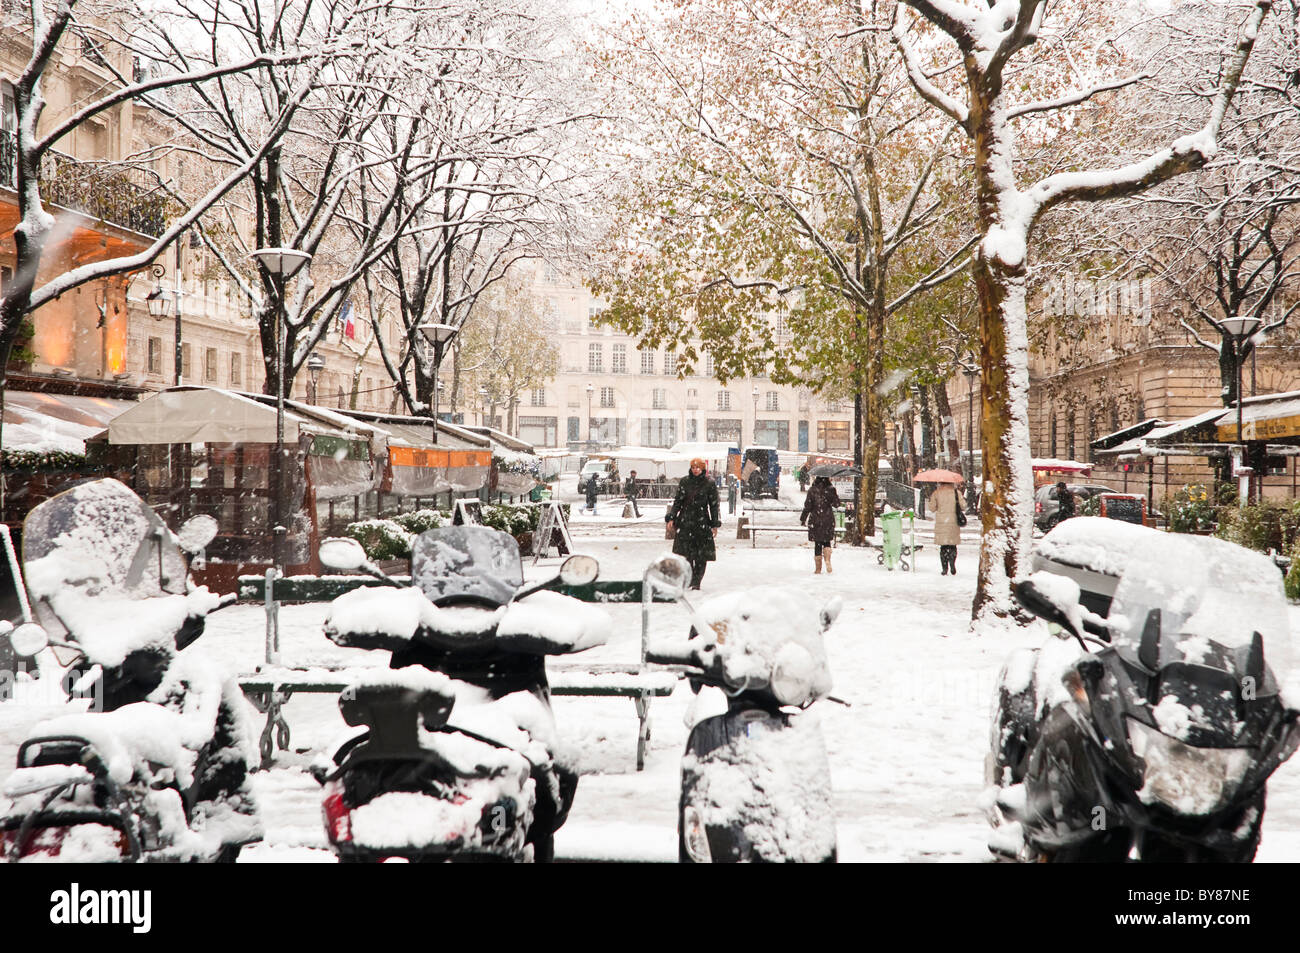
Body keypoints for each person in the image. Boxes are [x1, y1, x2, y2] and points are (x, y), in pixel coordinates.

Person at [666, 457, 721, 589]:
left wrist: (714, 524)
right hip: (686, 521)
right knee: (686, 554)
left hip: (702, 522)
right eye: (693, 467)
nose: (695, 470)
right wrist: (671, 517)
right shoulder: (685, 481)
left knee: (701, 556)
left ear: (702, 469)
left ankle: (697, 582)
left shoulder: (709, 483)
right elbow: (678, 501)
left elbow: (714, 506)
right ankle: (690, 580)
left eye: (698, 467)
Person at [800, 475, 841, 574]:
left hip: (815, 520)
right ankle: (827, 560)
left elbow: (808, 506)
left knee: (817, 543)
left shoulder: (812, 490)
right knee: (827, 541)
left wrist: (803, 519)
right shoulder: (831, 490)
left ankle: (818, 569)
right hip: (828, 519)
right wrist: (834, 495)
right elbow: (837, 504)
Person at [931, 481, 963, 576]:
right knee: (952, 544)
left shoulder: (936, 493)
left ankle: (945, 568)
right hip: (953, 521)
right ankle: (952, 563)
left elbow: (932, 508)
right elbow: (963, 505)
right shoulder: (957, 493)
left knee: (944, 546)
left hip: (941, 522)